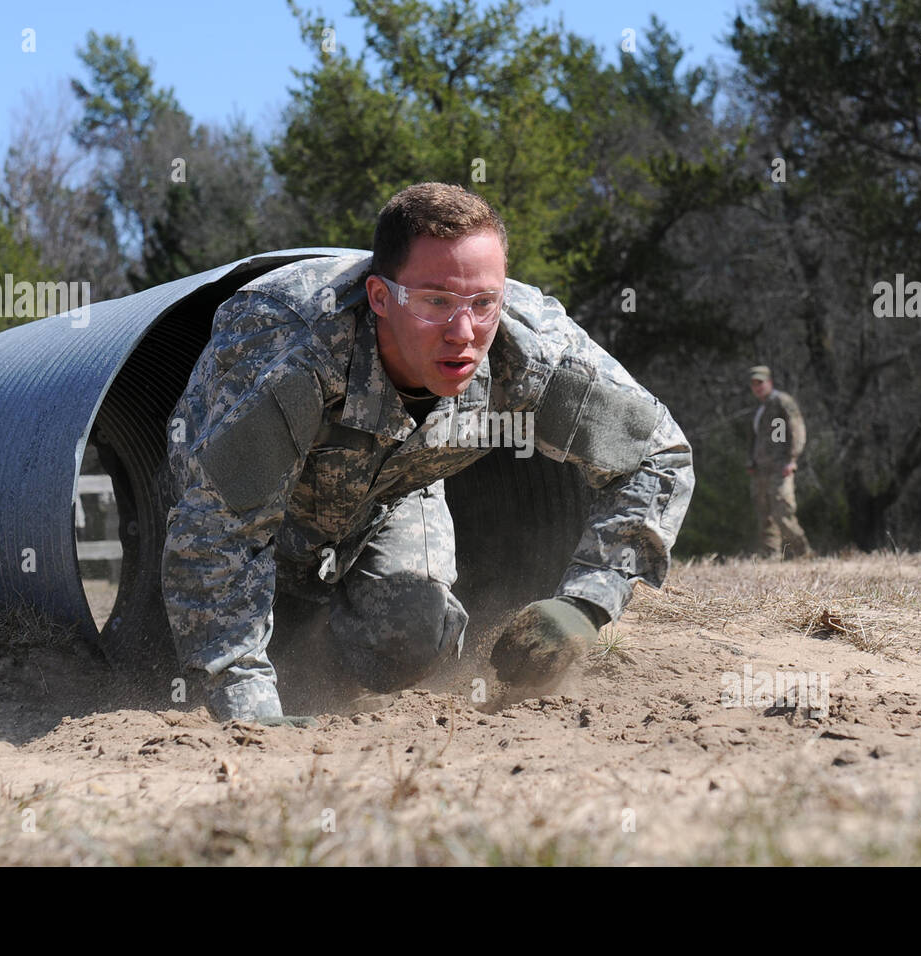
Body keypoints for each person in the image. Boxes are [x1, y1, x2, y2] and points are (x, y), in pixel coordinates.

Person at [161, 182, 694, 722]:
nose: (463, 332)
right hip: (235, 495)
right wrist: (246, 707)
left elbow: (655, 454)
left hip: (390, 491)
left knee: (415, 637)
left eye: (484, 302)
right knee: (191, 636)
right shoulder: (294, 348)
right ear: (379, 297)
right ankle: (248, 660)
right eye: (435, 301)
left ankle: (311, 673)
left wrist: (584, 604)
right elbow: (219, 521)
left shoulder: (532, 351)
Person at [746, 365, 812, 559]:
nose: (757, 388)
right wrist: (750, 461)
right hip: (761, 470)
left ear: (769, 382)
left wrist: (792, 459)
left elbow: (796, 429)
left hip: (779, 468)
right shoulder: (761, 408)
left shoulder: (782, 402)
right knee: (764, 514)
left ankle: (803, 553)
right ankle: (770, 555)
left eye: (761, 383)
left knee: (782, 512)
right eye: (754, 385)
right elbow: (756, 438)